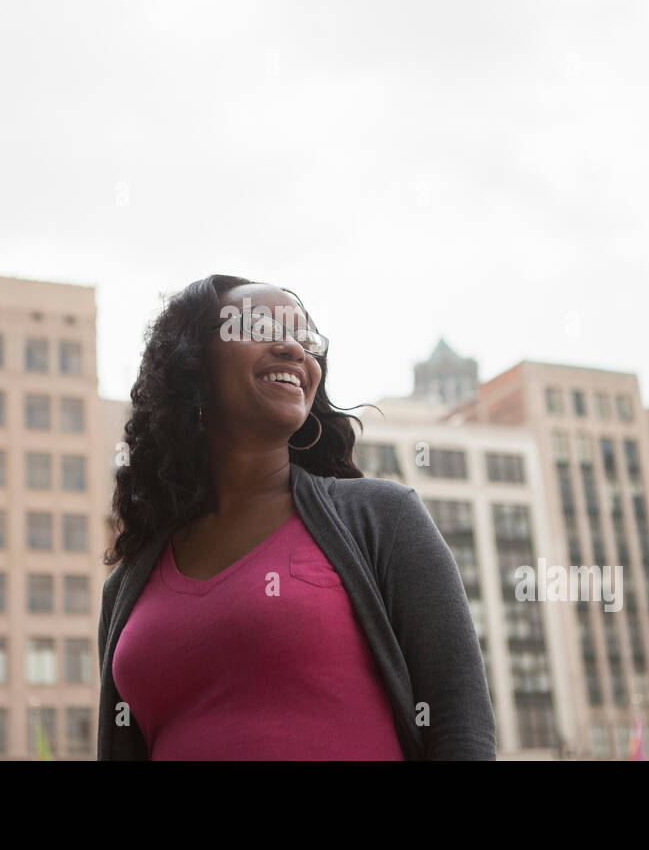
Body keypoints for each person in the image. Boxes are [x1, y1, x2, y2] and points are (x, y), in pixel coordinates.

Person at [97, 274, 495, 760]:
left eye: (306, 340)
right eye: (259, 327)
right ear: (192, 364)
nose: (293, 349)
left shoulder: (382, 519)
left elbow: (461, 728)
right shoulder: (126, 588)